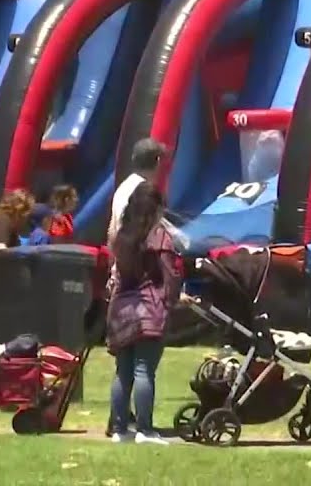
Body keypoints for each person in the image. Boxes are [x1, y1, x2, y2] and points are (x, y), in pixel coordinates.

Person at [106, 182, 182, 445]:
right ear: (155, 209)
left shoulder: (121, 237)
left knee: (122, 372)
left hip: (121, 308)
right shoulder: (159, 236)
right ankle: (145, 430)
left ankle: (119, 429)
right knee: (143, 370)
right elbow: (170, 275)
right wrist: (172, 302)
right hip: (148, 308)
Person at [110, 138, 168, 241]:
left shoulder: (125, 186)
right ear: (158, 161)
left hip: (122, 251)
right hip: (135, 253)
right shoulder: (144, 194)